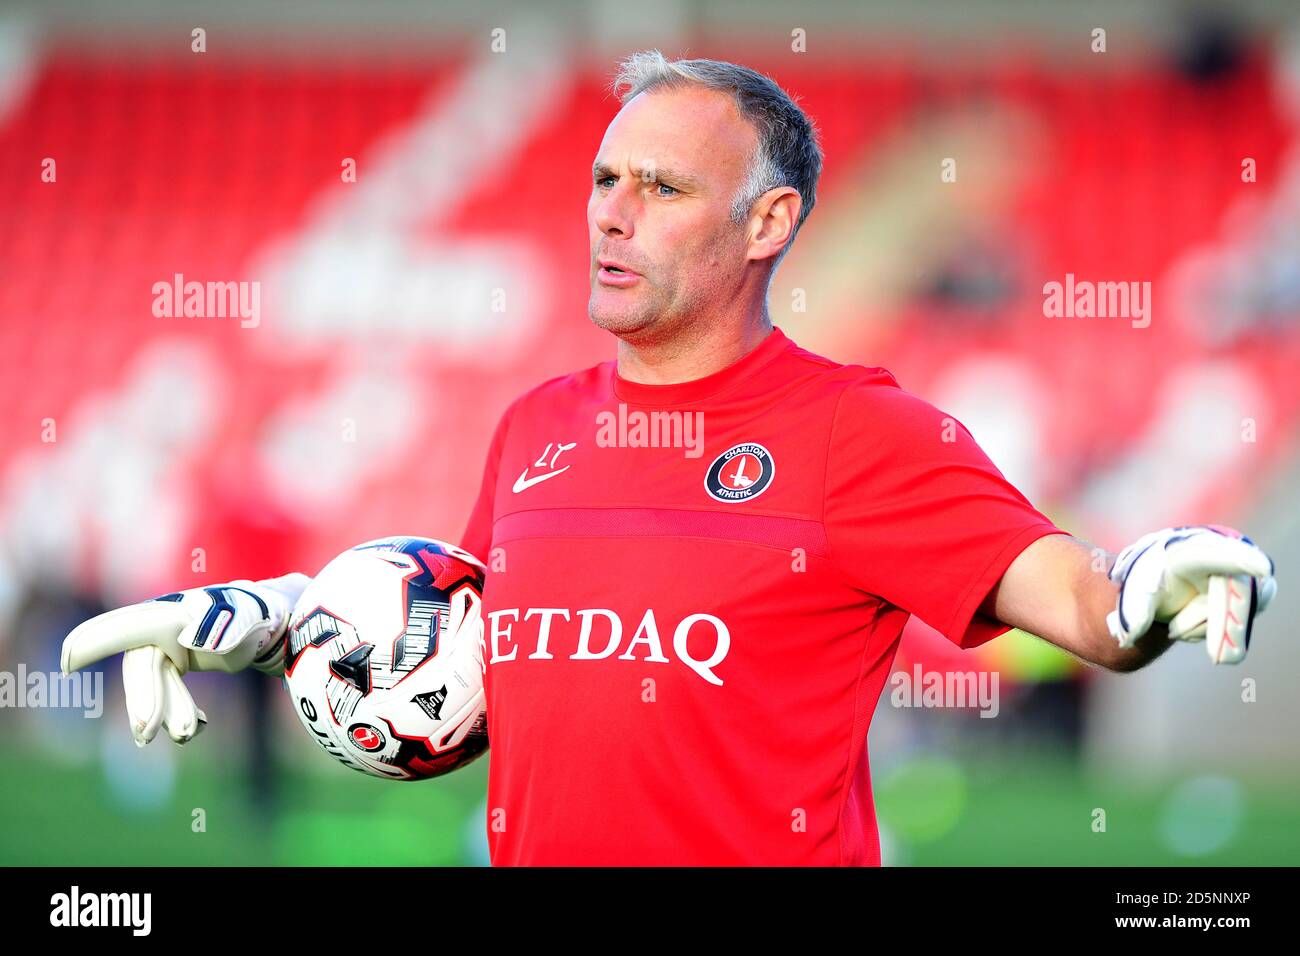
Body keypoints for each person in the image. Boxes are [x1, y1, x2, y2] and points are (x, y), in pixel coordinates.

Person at [62, 51, 1277, 866]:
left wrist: (1149, 582)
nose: (610, 210)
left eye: (659, 186)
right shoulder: (533, 426)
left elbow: (1083, 604)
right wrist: (279, 619)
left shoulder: (858, 430)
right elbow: (475, 650)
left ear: (767, 223)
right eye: (603, 178)